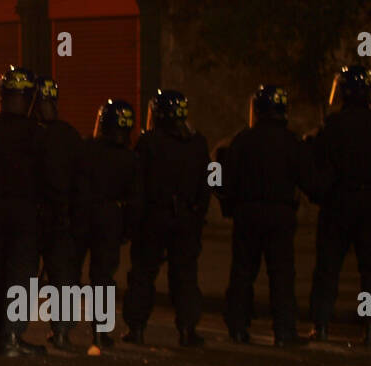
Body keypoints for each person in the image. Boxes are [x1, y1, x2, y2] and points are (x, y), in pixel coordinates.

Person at [308, 65, 371, 345]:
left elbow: (317, 168)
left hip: (340, 202)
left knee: (328, 268)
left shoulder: (333, 127)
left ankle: (322, 324)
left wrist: (319, 195)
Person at [215, 85, 318, 347]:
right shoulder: (291, 142)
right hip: (280, 214)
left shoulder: (241, 141)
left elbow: (224, 182)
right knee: (282, 274)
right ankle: (284, 332)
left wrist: (228, 204)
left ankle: (237, 328)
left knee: (242, 273)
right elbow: (310, 181)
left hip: (247, 213)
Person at [122, 90, 210, 347]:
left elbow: (138, 186)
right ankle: (187, 329)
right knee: (185, 276)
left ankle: (136, 328)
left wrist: (133, 222)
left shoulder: (148, 143)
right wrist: (198, 214)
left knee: (143, 274)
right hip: (186, 218)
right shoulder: (198, 144)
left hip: (154, 218)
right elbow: (209, 181)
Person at [0, 65, 47, 356]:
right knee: (20, 276)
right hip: (24, 216)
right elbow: (49, 179)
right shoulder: (37, 134)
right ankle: (12, 337)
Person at [71, 99, 141, 349]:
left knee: (70, 274)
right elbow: (134, 198)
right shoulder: (130, 159)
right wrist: (127, 230)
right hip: (110, 218)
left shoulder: (85, 148)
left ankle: (62, 329)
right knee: (103, 278)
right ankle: (101, 331)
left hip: (81, 216)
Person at [32, 77, 84, 351]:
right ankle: (62, 331)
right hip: (61, 219)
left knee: (18, 274)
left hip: (32, 217)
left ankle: (8, 334)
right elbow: (82, 180)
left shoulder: (28, 134)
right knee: (63, 277)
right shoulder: (70, 135)